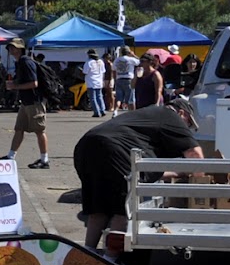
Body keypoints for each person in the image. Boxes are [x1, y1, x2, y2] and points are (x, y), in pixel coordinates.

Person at [73, 101, 205, 253]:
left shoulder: (147, 117)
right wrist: (202, 190)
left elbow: (142, 169)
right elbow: (195, 156)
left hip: (86, 146)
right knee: (123, 209)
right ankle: (110, 260)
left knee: (99, 207)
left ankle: (87, 253)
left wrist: (178, 173)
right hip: (113, 150)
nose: (187, 128)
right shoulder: (171, 116)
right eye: (188, 123)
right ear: (182, 113)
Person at [0, 39, 49, 169]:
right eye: (10, 48)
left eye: (14, 47)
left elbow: (34, 83)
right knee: (19, 129)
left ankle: (44, 160)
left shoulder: (26, 62)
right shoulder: (20, 62)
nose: (12, 50)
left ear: (20, 48)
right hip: (26, 102)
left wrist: (15, 86)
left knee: (39, 130)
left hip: (34, 102)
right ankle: (11, 156)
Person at [111, 47, 138, 115]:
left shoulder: (117, 60)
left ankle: (115, 110)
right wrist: (133, 55)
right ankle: (132, 113)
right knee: (130, 98)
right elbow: (140, 61)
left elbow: (113, 70)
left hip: (119, 79)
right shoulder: (131, 59)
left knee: (119, 98)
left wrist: (115, 79)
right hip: (129, 79)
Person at [83, 48, 106, 118]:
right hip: (99, 81)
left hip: (91, 81)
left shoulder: (89, 62)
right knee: (99, 96)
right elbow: (103, 71)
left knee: (93, 98)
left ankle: (96, 112)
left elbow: (85, 72)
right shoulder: (100, 62)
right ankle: (102, 110)